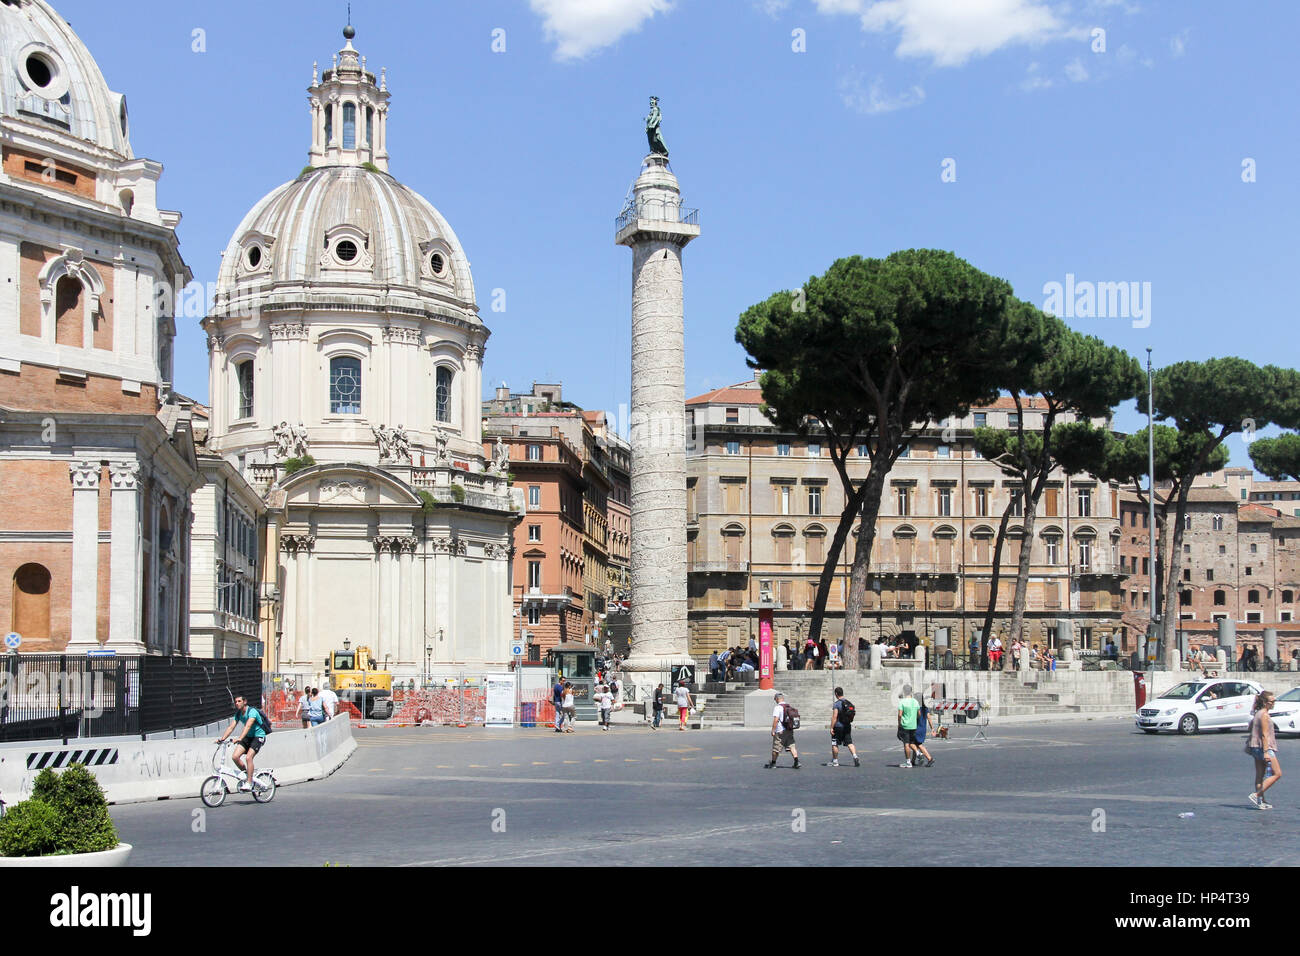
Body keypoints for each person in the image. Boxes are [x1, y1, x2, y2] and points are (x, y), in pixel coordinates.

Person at [216, 694, 267, 792]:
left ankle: (249, 782)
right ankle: (247, 775)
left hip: (258, 736)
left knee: (248, 757)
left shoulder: (252, 712)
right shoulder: (238, 714)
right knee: (235, 757)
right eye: (236, 702)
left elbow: (248, 726)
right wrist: (222, 739)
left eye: (239, 701)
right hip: (248, 737)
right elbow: (231, 727)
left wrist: (239, 738)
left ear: (245, 702)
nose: (237, 703)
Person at [1248, 691, 1282, 809]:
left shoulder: (1258, 713)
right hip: (1264, 748)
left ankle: (1260, 802)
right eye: (1272, 701)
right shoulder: (1264, 715)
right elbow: (1264, 735)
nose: (1274, 703)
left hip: (1255, 746)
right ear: (1265, 702)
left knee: (1260, 775)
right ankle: (1256, 795)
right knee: (1277, 773)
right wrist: (1266, 752)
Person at [824, 686, 860, 768]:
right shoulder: (848, 702)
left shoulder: (837, 704)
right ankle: (855, 756)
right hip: (847, 726)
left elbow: (834, 717)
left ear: (836, 694)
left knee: (835, 743)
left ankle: (835, 761)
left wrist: (831, 727)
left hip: (838, 727)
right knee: (849, 743)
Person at [765, 691, 800, 769]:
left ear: (777, 699)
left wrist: (773, 730)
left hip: (780, 731)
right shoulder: (788, 706)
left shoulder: (777, 707)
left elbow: (776, 720)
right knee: (792, 746)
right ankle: (796, 762)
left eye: (775, 699)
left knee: (776, 748)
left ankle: (773, 763)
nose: (775, 700)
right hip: (789, 729)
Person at [897, 685, 920, 768]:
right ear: (911, 691)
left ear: (904, 691)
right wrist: (914, 719)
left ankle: (908, 762)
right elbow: (919, 714)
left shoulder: (902, 702)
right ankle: (918, 753)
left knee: (906, 744)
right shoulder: (915, 701)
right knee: (912, 742)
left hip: (905, 725)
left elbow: (900, 715)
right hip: (913, 725)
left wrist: (899, 724)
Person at [912, 694, 936, 767]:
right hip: (923, 728)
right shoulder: (925, 708)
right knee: (916, 744)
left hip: (917, 728)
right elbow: (929, 718)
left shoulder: (916, 708)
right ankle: (913, 760)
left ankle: (930, 758)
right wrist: (932, 728)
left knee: (917, 744)